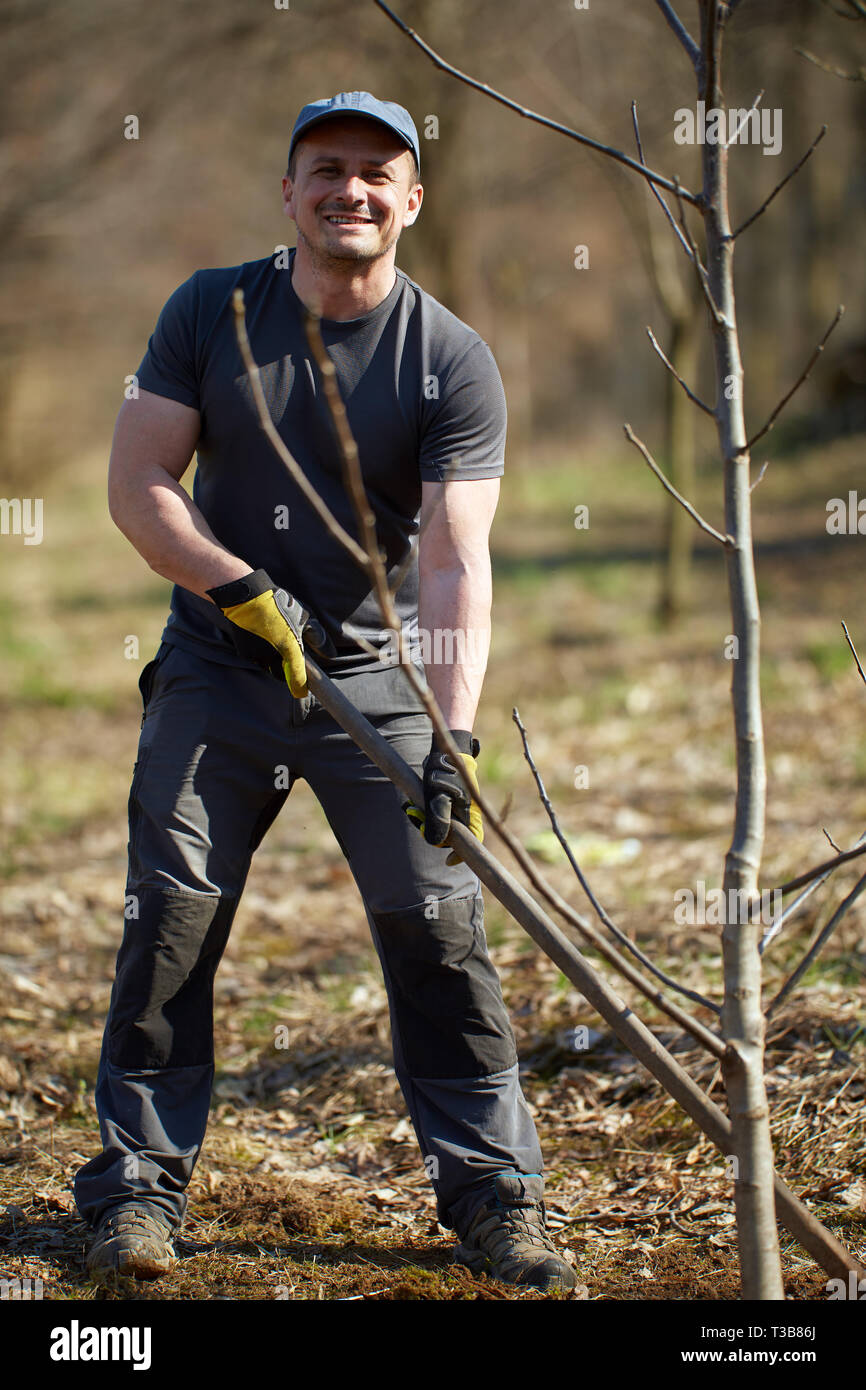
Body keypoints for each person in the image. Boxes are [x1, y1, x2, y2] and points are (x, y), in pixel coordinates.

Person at [74, 91, 576, 1295]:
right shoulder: (209, 311)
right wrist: (234, 583)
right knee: (172, 912)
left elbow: (454, 559)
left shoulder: (447, 355)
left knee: (440, 930)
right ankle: (137, 1190)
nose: (348, 189)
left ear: (411, 200)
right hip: (219, 663)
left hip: (381, 678)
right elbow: (140, 477)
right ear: (288, 192)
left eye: (374, 174)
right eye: (325, 168)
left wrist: (450, 735)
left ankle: (496, 1197)